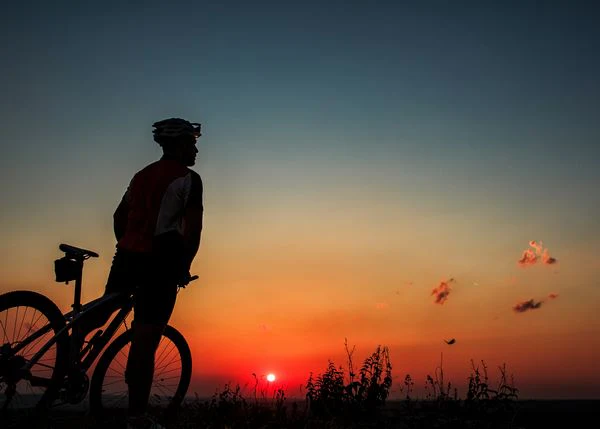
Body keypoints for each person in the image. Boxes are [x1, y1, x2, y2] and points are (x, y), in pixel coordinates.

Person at [105, 118, 203, 429]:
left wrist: (127, 244)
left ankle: (65, 363)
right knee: (146, 340)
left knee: (101, 312)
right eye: (192, 143)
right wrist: (183, 265)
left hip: (127, 257)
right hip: (160, 264)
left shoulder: (140, 176)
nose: (196, 149)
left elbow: (119, 216)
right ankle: (136, 418)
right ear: (178, 145)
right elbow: (193, 230)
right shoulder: (189, 179)